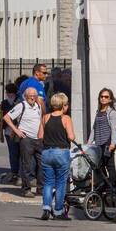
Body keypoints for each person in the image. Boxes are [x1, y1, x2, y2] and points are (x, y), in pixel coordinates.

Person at [39, 92, 76, 221]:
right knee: (60, 183)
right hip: (61, 152)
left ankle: (46, 208)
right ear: (63, 105)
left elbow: (40, 136)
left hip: (46, 152)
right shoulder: (66, 119)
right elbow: (71, 137)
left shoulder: (45, 117)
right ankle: (59, 211)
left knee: (48, 182)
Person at [5, 84, 44, 195]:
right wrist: (17, 131)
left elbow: (40, 119)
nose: (32, 98)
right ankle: (26, 189)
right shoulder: (21, 105)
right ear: (25, 96)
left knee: (42, 164)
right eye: (30, 96)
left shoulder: (38, 106)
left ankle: (40, 189)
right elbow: (7, 118)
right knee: (27, 165)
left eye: (34, 96)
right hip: (26, 138)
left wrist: (41, 132)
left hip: (38, 139)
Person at [87, 87, 116, 190]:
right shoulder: (98, 112)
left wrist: (113, 144)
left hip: (107, 144)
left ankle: (112, 189)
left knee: (110, 167)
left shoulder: (111, 113)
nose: (103, 98)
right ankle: (105, 186)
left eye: (106, 97)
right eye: (102, 96)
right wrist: (89, 144)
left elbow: (114, 130)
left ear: (110, 99)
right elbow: (94, 129)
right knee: (98, 168)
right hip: (98, 145)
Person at [0, 81, 21, 183]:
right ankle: (15, 172)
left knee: (16, 153)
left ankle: (16, 173)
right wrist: (1, 133)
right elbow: (2, 118)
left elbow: (3, 118)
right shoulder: (5, 103)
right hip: (8, 131)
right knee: (13, 153)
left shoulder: (18, 102)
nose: (9, 94)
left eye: (10, 92)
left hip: (16, 131)